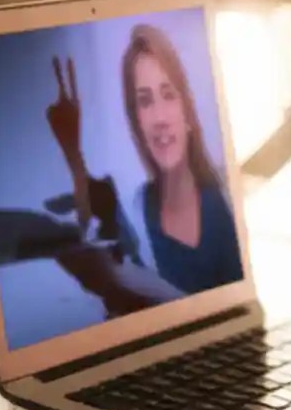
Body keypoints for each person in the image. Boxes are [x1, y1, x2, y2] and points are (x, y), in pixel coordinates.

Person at [46, 24, 243, 315]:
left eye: (168, 94)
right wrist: (72, 150)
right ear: (136, 121)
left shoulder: (225, 199)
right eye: (145, 101)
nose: (160, 117)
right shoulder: (137, 213)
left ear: (187, 110)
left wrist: (155, 290)